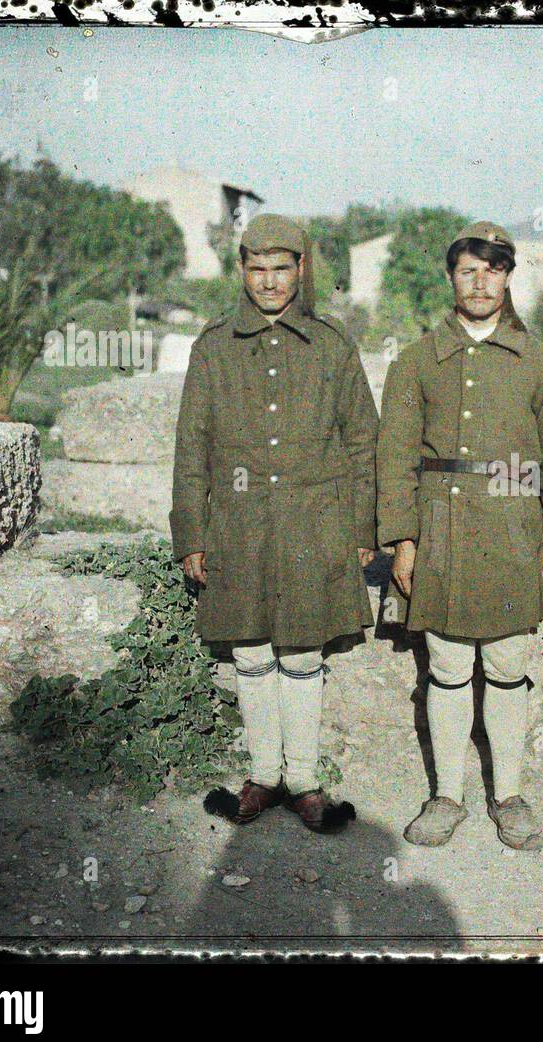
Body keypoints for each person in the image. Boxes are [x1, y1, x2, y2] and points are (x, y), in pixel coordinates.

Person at [376, 221, 543, 851]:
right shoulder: (416, 361)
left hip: (514, 527)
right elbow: (393, 456)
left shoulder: (541, 362)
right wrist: (402, 539)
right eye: (468, 270)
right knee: (444, 662)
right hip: (441, 530)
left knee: (506, 661)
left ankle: (510, 795)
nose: (480, 282)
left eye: (493, 270)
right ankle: (446, 795)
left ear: (508, 278)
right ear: (450, 277)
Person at [171, 213, 377, 833]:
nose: (269, 282)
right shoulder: (212, 346)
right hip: (239, 527)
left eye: (281, 269)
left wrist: (363, 529)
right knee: (253, 650)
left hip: (315, 525)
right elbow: (192, 446)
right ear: (242, 272)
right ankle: (263, 773)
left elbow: (364, 440)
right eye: (257, 269)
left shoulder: (333, 344)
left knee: (302, 649)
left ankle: (305, 781)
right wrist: (192, 534)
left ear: (301, 270)